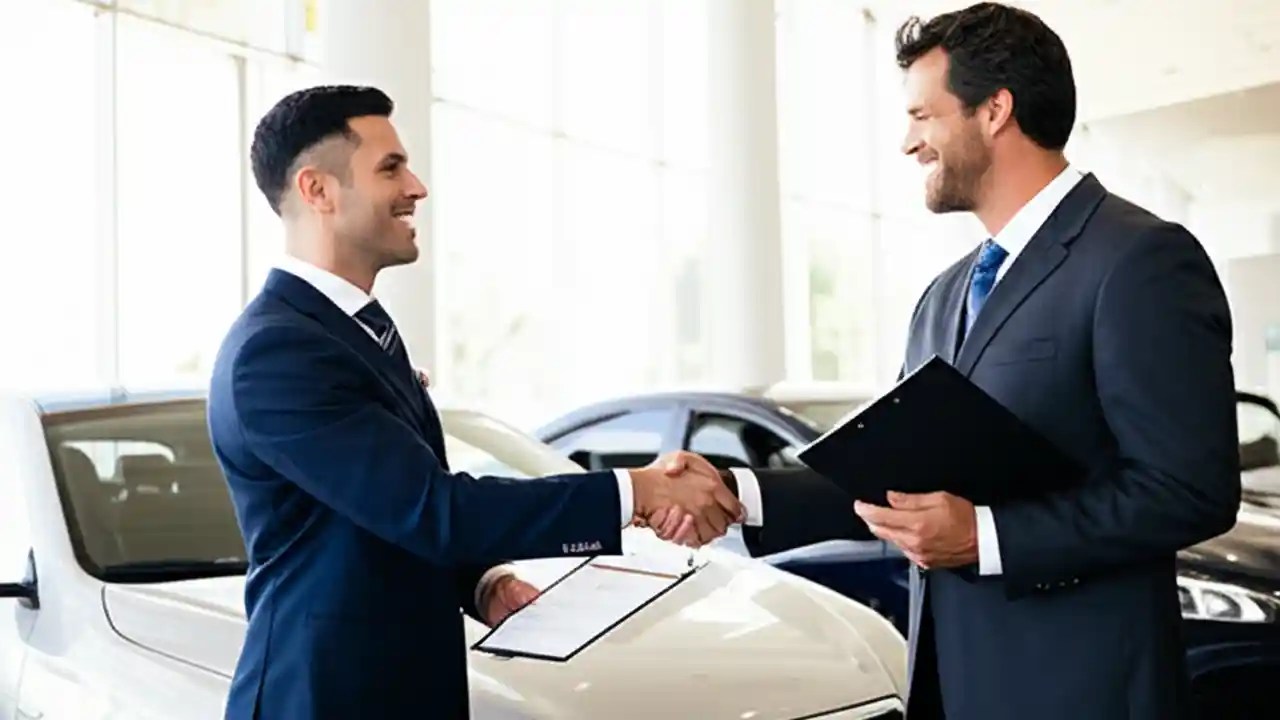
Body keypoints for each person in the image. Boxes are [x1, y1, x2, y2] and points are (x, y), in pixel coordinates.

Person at [659, 4, 1240, 719]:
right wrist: (733, 492)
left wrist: (987, 536)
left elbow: (1190, 488)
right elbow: (896, 481)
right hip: (956, 678)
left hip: (1080, 686)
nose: (909, 143)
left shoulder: (1139, 259)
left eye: (924, 116)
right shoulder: (944, 294)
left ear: (995, 109)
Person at [206, 85, 741, 720]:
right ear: (318, 190)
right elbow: (435, 510)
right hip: (325, 697)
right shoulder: (277, 353)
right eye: (390, 168)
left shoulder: (347, 331)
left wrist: (482, 583)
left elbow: (384, 511)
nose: (417, 187)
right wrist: (640, 491)